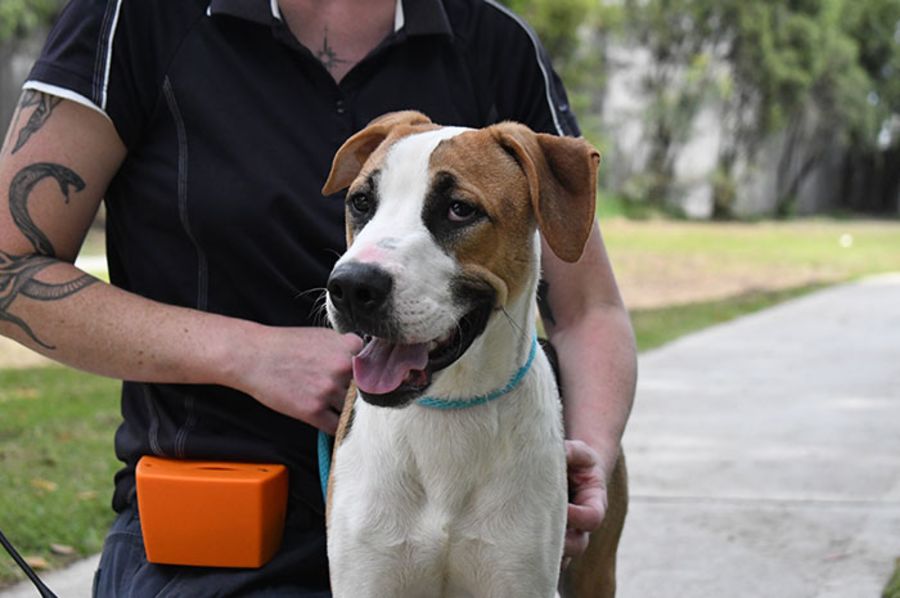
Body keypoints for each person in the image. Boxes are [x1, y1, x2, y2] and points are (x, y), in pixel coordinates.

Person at [0, 0, 637, 595]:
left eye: (461, 209)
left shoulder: (495, 41)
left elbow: (589, 307)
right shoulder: (134, 18)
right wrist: (249, 355)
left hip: (493, 470)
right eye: (360, 203)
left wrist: (592, 460)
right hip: (214, 519)